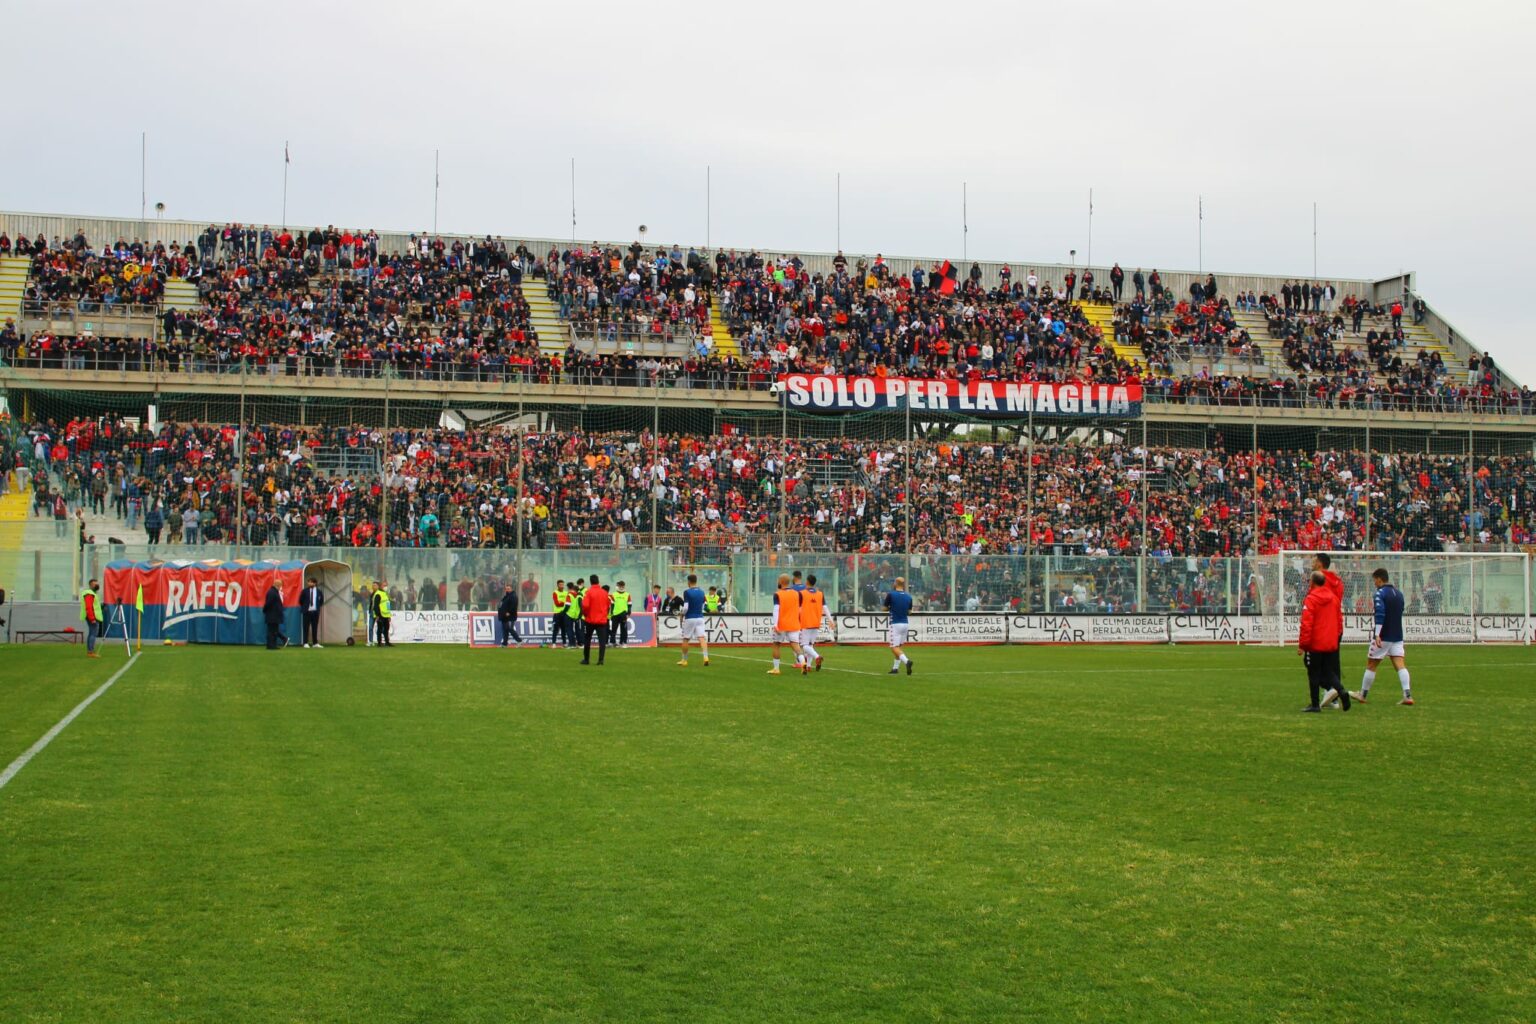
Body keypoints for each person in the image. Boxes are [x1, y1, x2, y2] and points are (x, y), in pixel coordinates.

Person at [1354, 568, 1413, 706]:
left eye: (1375, 580)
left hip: (1384, 635)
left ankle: (1362, 694)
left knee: (1371, 664)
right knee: (1400, 664)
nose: (1374, 583)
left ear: (1379, 579)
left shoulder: (1380, 593)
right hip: (1397, 635)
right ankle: (1407, 695)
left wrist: (1377, 634)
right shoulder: (1399, 594)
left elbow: (1380, 614)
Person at [1299, 571, 1348, 712]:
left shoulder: (1311, 599)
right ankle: (1341, 690)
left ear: (1312, 582)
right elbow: (1339, 621)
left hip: (1315, 642)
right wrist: (1336, 638)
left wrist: (1303, 645)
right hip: (1330, 642)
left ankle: (1315, 705)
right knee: (1328, 670)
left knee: (1313, 672)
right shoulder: (1334, 598)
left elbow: (1306, 624)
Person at [1313, 553, 1346, 707]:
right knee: (1333, 662)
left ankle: (1329, 689)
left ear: (1319, 563)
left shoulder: (1318, 580)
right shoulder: (1338, 582)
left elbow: (1315, 602)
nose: (1312, 563)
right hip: (1337, 626)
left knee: (1314, 662)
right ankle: (1334, 696)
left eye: (1314, 560)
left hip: (1322, 627)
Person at [768, 573, 800, 675]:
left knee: (776, 645)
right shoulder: (796, 593)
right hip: (794, 623)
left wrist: (775, 624)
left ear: (781, 582)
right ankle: (804, 665)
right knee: (795, 645)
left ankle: (776, 669)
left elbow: (776, 610)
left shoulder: (778, 594)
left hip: (782, 624)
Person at [677, 573, 710, 667]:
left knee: (686, 639)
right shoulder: (702, 592)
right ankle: (706, 657)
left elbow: (686, 607)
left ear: (688, 582)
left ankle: (684, 660)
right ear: (696, 581)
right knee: (702, 638)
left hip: (690, 617)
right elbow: (703, 606)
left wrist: (682, 614)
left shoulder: (687, 592)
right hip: (700, 617)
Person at [884, 576, 914, 675]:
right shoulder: (909, 596)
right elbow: (909, 612)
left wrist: (891, 607)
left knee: (894, 647)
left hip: (895, 623)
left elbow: (884, 608)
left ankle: (907, 661)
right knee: (898, 647)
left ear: (896, 583)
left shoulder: (891, 595)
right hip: (905, 623)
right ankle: (895, 669)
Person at [579, 573, 611, 665]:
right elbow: (608, 606)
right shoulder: (604, 593)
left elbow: (585, 605)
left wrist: (586, 615)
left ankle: (586, 659)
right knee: (602, 641)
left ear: (590, 582)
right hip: (601, 621)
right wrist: (604, 615)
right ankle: (601, 660)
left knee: (587, 640)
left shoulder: (588, 592)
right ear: (598, 581)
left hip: (590, 620)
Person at [798, 573, 827, 674]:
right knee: (810, 644)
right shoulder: (820, 593)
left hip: (806, 622)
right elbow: (825, 608)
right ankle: (809, 665)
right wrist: (830, 620)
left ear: (807, 581)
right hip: (816, 622)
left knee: (804, 645)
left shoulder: (802, 593)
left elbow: (799, 608)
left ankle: (817, 657)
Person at [80, 577, 102, 658]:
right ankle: (91, 651)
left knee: (91, 633)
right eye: (95, 584)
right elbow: (89, 607)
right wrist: (92, 618)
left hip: (92, 616)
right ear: (90, 585)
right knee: (93, 633)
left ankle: (90, 651)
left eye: (97, 584)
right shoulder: (90, 594)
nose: (97, 585)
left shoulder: (93, 594)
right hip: (92, 617)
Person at [300, 576, 324, 648]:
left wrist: (317, 608)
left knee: (315, 627)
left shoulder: (319, 592)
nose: (309, 583)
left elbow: (321, 601)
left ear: (314, 583)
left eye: (310, 582)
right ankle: (305, 643)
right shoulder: (305, 591)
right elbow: (301, 601)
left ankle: (315, 643)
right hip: (307, 612)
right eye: (308, 582)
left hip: (315, 612)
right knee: (306, 627)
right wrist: (305, 607)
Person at [264, 579, 287, 650]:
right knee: (272, 631)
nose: (281, 587)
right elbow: (268, 603)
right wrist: (265, 610)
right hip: (273, 615)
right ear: (278, 585)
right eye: (280, 586)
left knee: (273, 631)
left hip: (272, 615)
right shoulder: (273, 592)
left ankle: (271, 645)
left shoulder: (272, 591)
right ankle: (271, 646)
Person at [372, 580, 393, 647]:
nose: (386, 587)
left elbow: (387, 605)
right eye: (384, 585)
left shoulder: (385, 593)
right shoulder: (378, 594)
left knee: (386, 629)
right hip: (380, 614)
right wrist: (377, 615)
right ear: (381, 586)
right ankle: (379, 642)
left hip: (386, 614)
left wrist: (389, 615)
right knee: (380, 629)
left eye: (386, 585)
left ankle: (387, 642)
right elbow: (376, 605)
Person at [610, 580, 631, 646]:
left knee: (624, 629)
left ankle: (623, 642)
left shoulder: (627, 594)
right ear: (618, 586)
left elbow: (629, 605)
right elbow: (612, 605)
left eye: (622, 586)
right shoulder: (613, 594)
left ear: (624, 586)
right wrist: (611, 614)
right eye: (620, 586)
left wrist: (628, 613)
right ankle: (612, 642)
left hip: (623, 614)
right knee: (613, 629)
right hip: (615, 614)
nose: (621, 587)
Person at [550, 580, 570, 646]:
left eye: (562, 584)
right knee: (555, 629)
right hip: (557, 613)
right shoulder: (555, 593)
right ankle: (553, 643)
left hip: (564, 613)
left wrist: (562, 602)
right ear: (557, 585)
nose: (562, 586)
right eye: (560, 585)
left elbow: (568, 603)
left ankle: (564, 643)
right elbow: (557, 604)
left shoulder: (566, 593)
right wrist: (564, 603)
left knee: (564, 629)